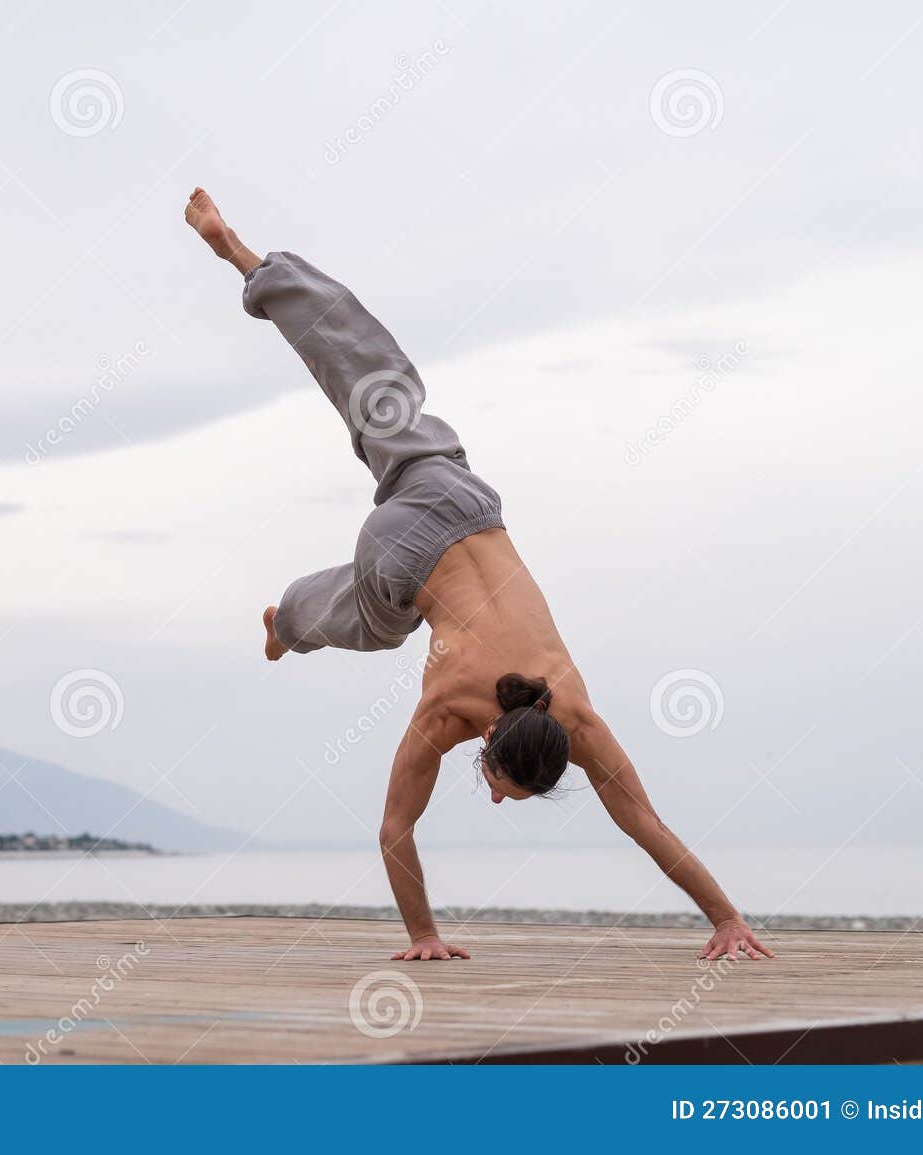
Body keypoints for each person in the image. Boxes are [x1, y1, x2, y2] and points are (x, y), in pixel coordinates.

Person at [184, 188, 773, 963]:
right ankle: (289, 623)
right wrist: (424, 936)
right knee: (377, 623)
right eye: (500, 783)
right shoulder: (453, 707)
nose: (493, 793)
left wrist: (728, 915)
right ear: (493, 736)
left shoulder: (577, 709)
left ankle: (250, 260)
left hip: (455, 495)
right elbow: (400, 828)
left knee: (371, 370)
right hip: (397, 553)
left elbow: (644, 827)